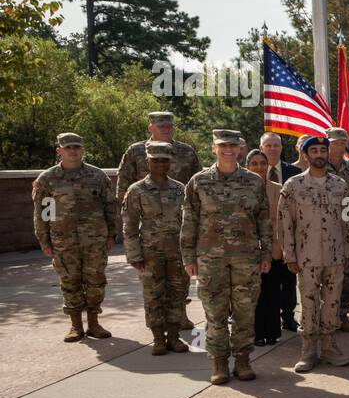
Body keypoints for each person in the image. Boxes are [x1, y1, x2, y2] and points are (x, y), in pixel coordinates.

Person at [182, 130, 272, 385]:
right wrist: (188, 257)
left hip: (246, 259)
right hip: (210, 260)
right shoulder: (199, 182)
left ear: (240, 149)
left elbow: (263, 221)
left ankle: (243, 360)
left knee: (245, 312)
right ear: (213, 148)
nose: (228, 150)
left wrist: (266, 253)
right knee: (214, 313)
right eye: (223, 146)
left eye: (233, 145)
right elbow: (189, 221)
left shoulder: (254, 182)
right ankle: (219, 362)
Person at [279, 135, 349, 372]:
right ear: (306, 154)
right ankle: (308, 351)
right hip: (306, 256)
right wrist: (289, 255)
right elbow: (285, 224)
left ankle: (330, 347)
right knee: (309, 303)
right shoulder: (293, 186)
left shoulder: (341, 185)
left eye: (323, 150)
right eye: (315, 151)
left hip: (335, 255)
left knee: (332, 302)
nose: (319, 154)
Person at [34, 133, 117, 341]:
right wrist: (45, 241)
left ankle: (94, 324)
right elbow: (43, 212)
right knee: (69, 282)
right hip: (63, 241)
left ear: (83, 149)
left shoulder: (98, 176)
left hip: (95, 241)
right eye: (68, 147)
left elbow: (110, 207)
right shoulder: (48, 179)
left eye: (77, 147)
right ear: (59, 150)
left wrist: (111, 235)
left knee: (96, 281)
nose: (73, 150)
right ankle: (75, 326)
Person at [122, 141, 188, 354]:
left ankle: (174, 337)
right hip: (150, 254)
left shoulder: (180, 189)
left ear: (170, 162)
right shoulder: (137, 190)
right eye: (156, 160)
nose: (160, 164)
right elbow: (130, 225)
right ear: (147, 161)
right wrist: (133, 254)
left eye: (165, 160)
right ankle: (158, 338)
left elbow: (190, 222)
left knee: (177, 294)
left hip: (178, 254)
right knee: (153, 296)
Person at [259, 132, 300, 332]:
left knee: (289, 279)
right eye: (269, 145)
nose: (273, 149)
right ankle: (270, 318)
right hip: (263, 238)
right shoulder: (253, 172)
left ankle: (289, 316)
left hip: (288, 235)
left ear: (282, 148)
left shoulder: (294, 172)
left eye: (276, 145)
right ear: (261, 149)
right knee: (268, 281)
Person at [115, 111, 202, 203]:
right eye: (161, 126)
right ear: (150, 128)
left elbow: (198, 182)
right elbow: (123, 185)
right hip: (145, 210)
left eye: (169, 126)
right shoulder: (136, 151)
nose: (166, 130)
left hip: (179, 209)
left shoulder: (186, 151)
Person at [324, 128, 349, 334]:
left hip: (346, 229)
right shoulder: (319, 168)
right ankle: (325, 316)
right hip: (322, 229)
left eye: (340, 143)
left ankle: (343, 314)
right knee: (325, 275)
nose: (337, 146)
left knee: (347, 274)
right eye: (333, 143)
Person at [245, 150, 284, 346]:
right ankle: (257, 333)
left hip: (274, 250)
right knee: (254, 295)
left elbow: (284, 220)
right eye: (254, 164)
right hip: (249, 251)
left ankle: (272, 332)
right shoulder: (242, 188)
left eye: (262, 163)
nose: (259, 167)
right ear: (247, 167)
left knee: (272, 293)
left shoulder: (278, 188)